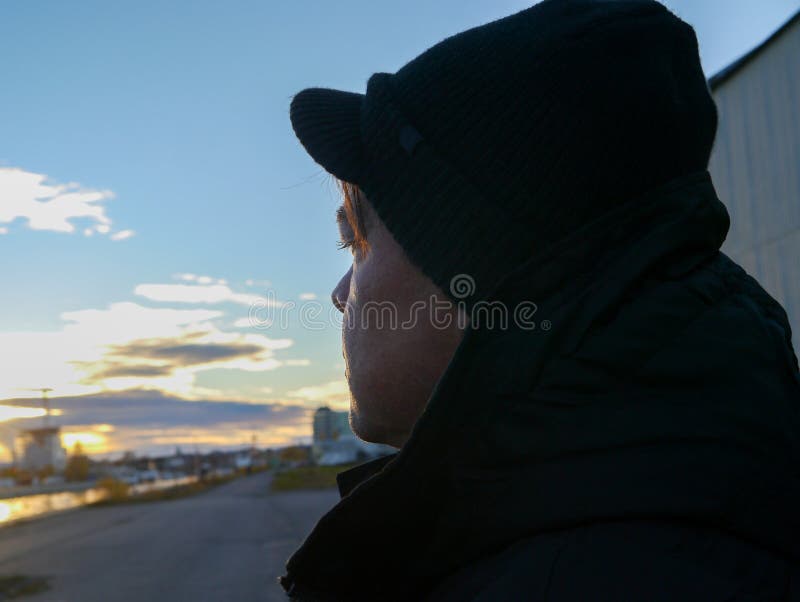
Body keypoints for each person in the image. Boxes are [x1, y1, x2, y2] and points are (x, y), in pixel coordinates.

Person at [283, 0, 800, 599]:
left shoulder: (592, 578)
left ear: (480, 267)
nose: (341, 294)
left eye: (355, 240)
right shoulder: (672, 523)